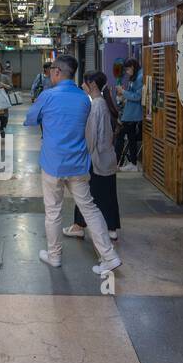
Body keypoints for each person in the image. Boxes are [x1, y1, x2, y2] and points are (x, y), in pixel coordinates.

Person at [24, 54, 122, 274]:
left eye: (51, 70)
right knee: (89, 208)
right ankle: (109, 256)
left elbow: (29, 119)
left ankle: (55, 256)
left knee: (53, 212)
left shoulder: (48, 95)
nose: (49, 73)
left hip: (52, 164)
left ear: (57, 72)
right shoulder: (83, 98)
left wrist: (46, 117)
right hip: (78, 164)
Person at [64, 71, 120, 240]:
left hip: (95, 159)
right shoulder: (103, 104)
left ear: (93, 84)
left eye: (84, 82)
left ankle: (78, 226)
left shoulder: (95, 106)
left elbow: (90, 137)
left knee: (84, 193)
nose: (82, 86)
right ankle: (111, 228)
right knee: (107, 193)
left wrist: (79, 154)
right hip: (107, 158)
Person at [114, 57, 143, 170]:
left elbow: (137, 96)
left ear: (132, 67)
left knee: (121, 135)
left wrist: (123, 92)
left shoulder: (140, 77)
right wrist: (124, 95)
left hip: (133, 114)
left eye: (127, 70)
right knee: (131, 138)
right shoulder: (137, 75)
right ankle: (133, 163)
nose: (126, 72)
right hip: (131, 112)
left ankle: (116, 163)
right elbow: (133, 93)